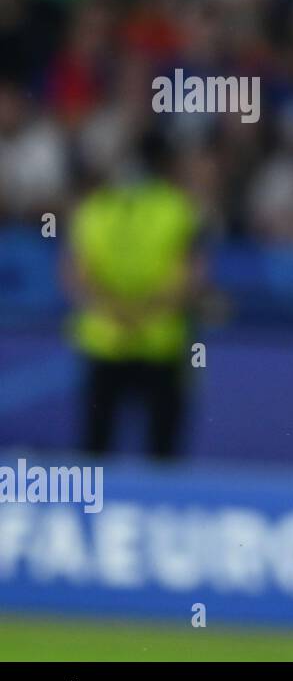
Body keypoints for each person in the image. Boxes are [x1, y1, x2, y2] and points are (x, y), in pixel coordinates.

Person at [64, 130, 204, 458]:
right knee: (163, 454)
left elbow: (75, 276)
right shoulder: (178, 207)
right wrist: (144, 312)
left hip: (105, 338)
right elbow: (192, 276)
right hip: (160, 341)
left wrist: (116, 311)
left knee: (95, 452)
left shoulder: (93, 209)